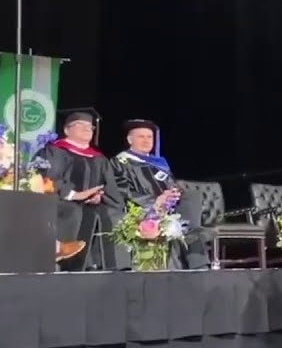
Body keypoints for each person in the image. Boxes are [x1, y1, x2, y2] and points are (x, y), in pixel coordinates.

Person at [111, 119, 210, 269]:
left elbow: (171, 185)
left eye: (149, 137)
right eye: (141, 137)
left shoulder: (159, 163)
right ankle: (195, 250)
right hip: (142, 207)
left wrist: (172, 196)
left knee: (191, 197)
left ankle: (198, 260)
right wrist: (156, 201)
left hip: (168, 208)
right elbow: (122, 190)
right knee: (187, 221)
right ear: (130, 139)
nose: (146, 141)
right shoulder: (120, 162)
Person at [37, 112, 127, 270]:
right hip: (61, 201)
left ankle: (111, 269)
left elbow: (110, 187)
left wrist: (99, 196)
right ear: (66, 130)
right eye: (81, 125)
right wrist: (75, 195)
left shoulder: (100, 158)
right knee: (73, 211)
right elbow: (47, 179)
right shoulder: (53, 151)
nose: (88, 129)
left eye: (90, 127)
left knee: (115, 214)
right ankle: (65, 265)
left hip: (92, 204)